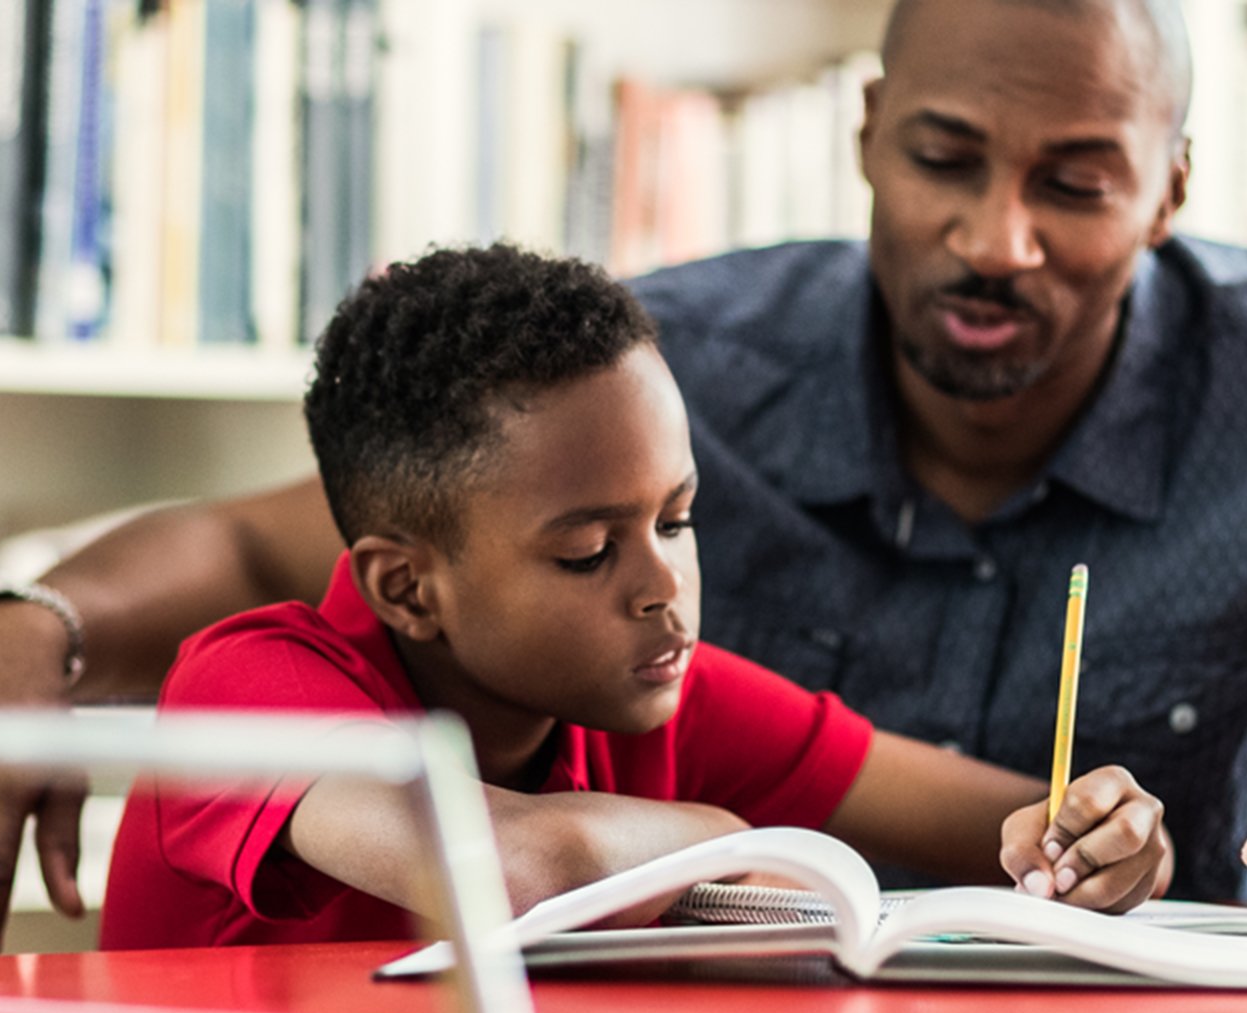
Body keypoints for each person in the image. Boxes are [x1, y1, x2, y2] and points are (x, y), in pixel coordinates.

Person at [0, 0, 1247, 959]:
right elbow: (471, 815)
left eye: (1075, 181)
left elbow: (971, 803)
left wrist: (1095, 827)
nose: (997, 236)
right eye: (944, 158)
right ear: (863, 139)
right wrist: (32, 612)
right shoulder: (619, 402)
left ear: (1170, 186)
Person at [93, 245, 1168, 949]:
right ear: (407, 586)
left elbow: (996, 816)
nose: (664, 586)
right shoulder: (246, 690)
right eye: (589, 551)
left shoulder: (650, 677)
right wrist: (730, 836)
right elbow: (520, 863)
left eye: (678, 519)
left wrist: (1098, 837)